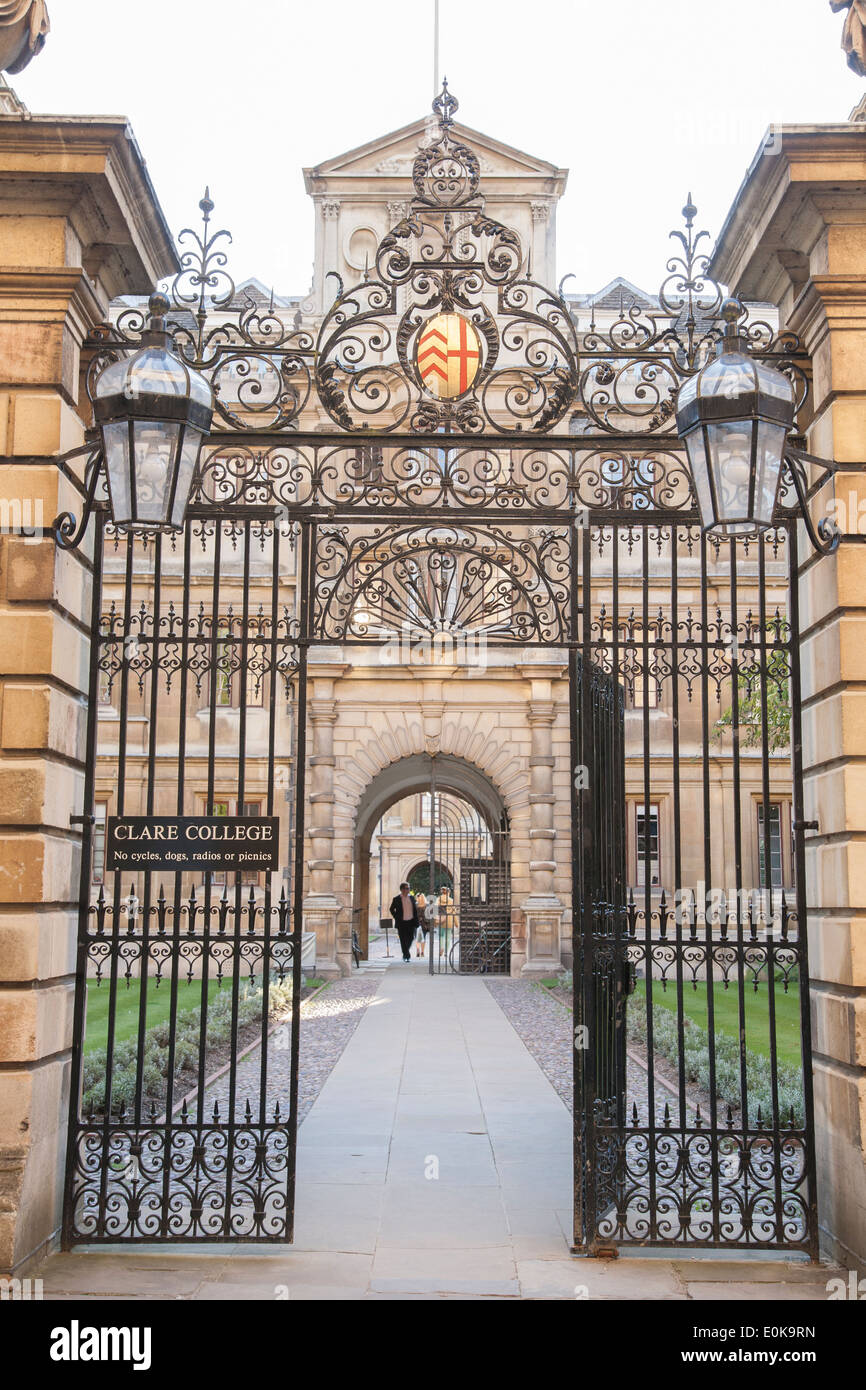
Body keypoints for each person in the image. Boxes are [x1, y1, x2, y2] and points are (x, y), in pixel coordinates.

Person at [389, 881, 419, 962]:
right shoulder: (396, 899)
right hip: (401, 922)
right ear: (402, 889)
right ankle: (407, 955)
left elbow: (415, 910)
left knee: (411, 938)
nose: (408, 889)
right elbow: (391, 909)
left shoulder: (412, 898)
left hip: (411, 922)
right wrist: (396, 917)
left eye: (409, 888)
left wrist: (417, 920)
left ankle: (405, 953)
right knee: (402, 939)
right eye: (407, 888)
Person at [415, 890, 428, 958]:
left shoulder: (416, 905)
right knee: (422, 938)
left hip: (419, 924)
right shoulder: (425, 906)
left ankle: (419, 951)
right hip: (422, 924)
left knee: (418, 938)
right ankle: (421, 952)